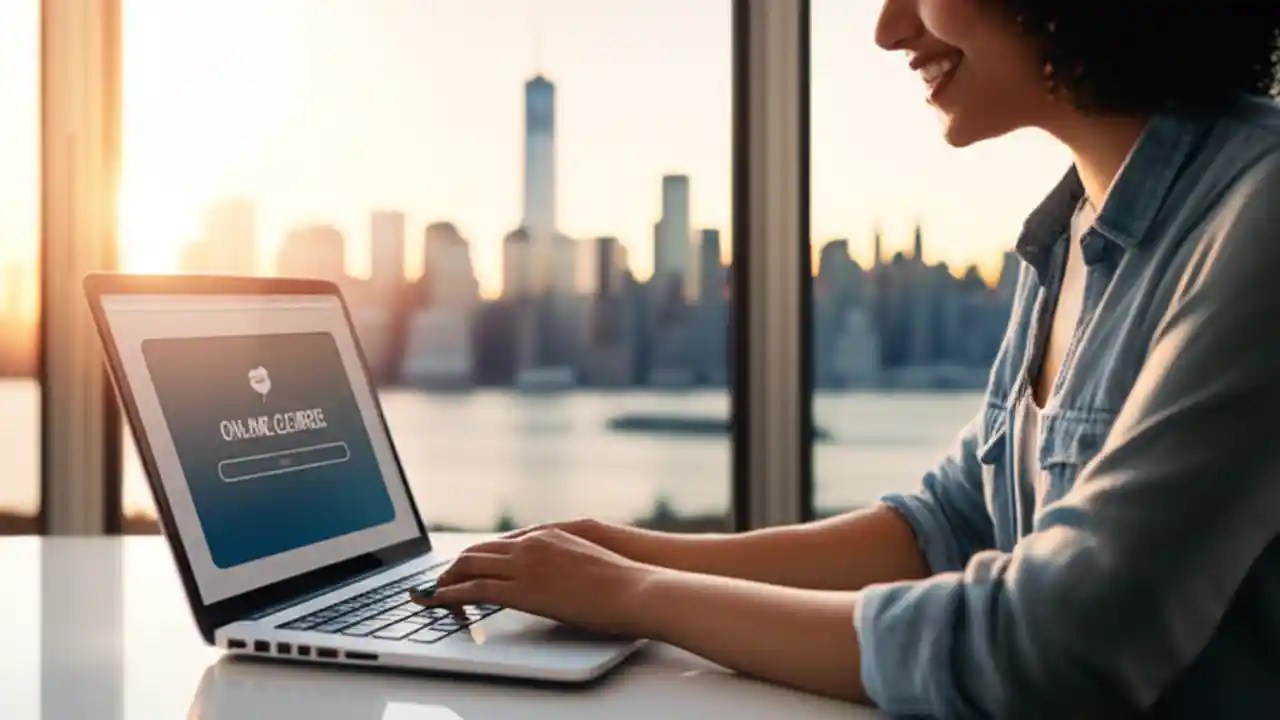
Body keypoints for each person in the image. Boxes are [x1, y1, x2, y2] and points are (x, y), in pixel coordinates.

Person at [415, 1, 1280, 716]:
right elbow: (948, 528)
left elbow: (1058, 643)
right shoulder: (1070, 234)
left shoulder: (1259, 212)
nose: (889, 28)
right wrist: (631, 551)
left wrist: (636, 596)